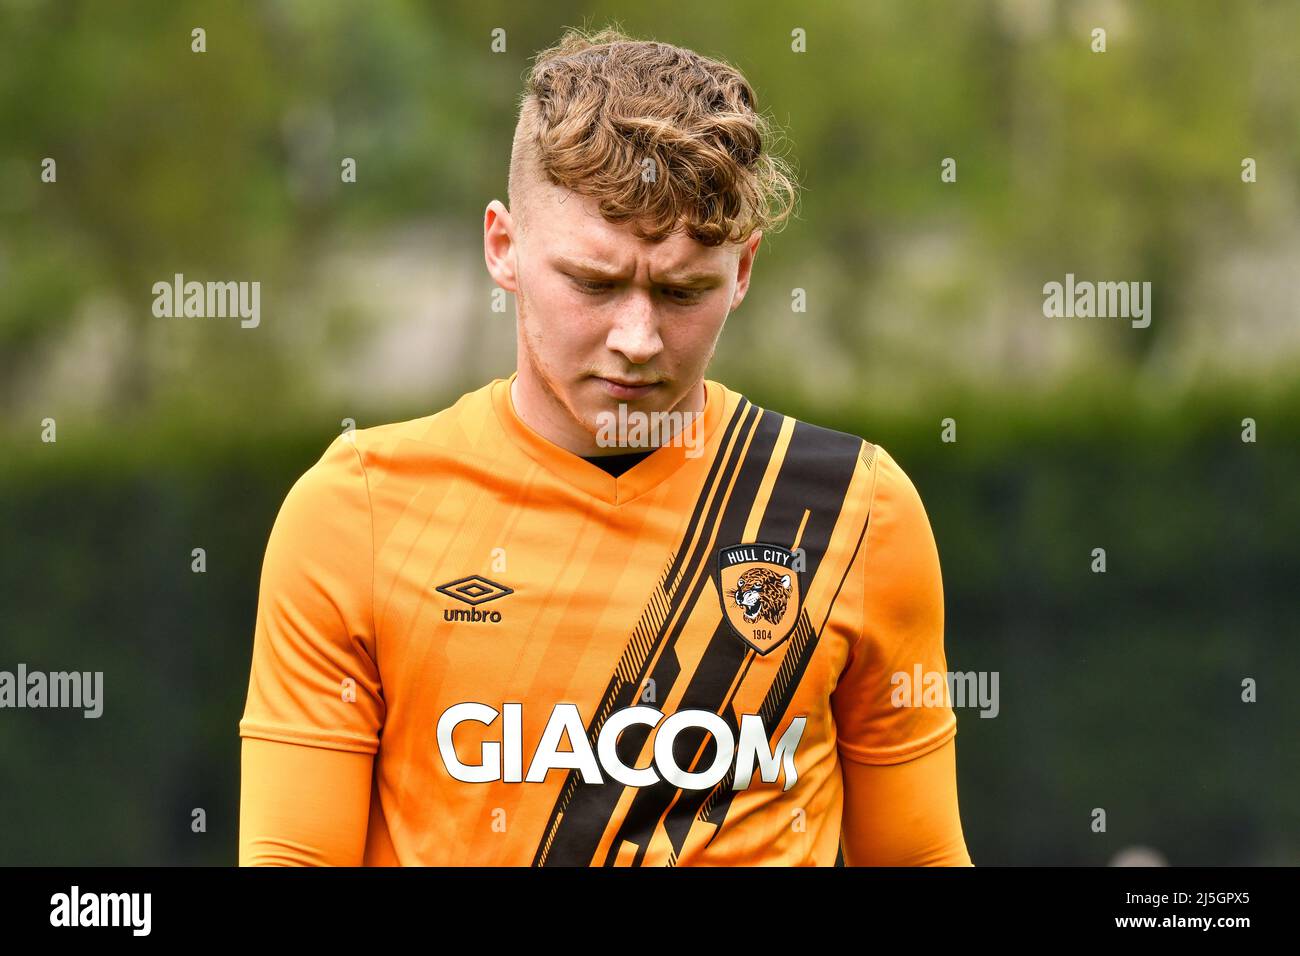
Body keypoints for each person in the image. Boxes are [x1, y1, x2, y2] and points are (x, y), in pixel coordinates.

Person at [238, 25, 971, 867]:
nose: (638, 337)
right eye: (593, 282)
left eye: (682, 290)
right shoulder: (353, 513)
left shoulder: (854, 511)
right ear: (503, 247)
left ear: (743, 272)